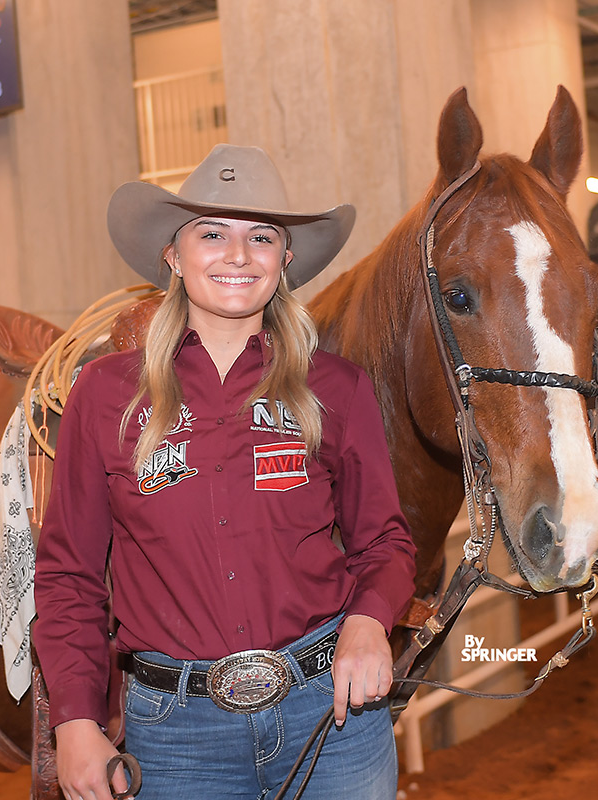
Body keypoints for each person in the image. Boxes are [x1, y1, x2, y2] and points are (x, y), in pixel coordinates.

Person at [32, 144, 416, 799]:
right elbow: (68, 575)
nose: (238, 255)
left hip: (330, 715)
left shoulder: (337, 388)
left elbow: (384, 542)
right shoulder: (104, 395)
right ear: (174, 257)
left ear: (284, 262)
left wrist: (367, 622)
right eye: (212, 234)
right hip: (177, 734)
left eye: (260, 237)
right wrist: (74, 720)